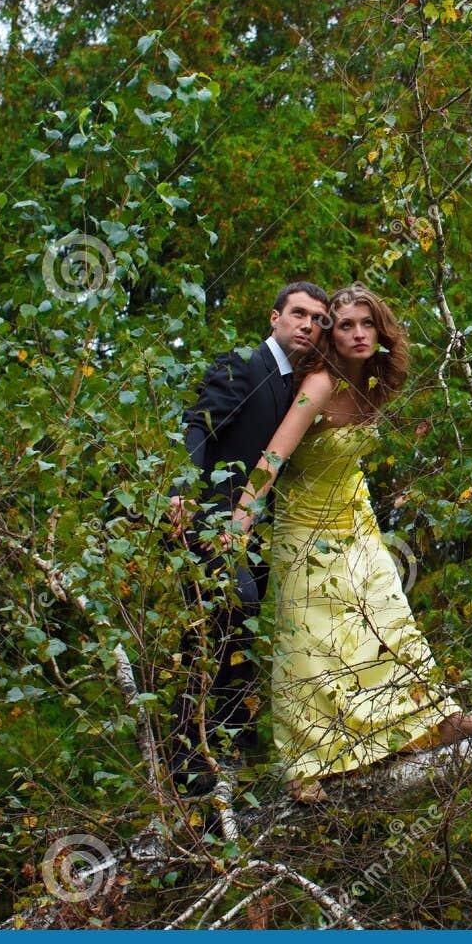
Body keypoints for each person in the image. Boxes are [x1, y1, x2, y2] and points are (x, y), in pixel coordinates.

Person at [230, 284, 472, 803]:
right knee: (308, 641)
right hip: (303, 528)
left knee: (388, 617)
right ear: (333, 333)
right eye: (345, 324)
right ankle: (305, 766)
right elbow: (274, 457)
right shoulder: (320, 384)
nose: (356, 333)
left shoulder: (376, 383)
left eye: (365, 324)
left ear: (380, 332)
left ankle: (435, 719)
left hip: (356, 519)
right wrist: (239, 523)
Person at [168, 281, 331, 793]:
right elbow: (198, 424)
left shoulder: (297, 384)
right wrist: (181, 490)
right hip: (212, 517)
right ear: (274, 317)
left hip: (257, 533)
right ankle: (187, 760)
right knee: (228, 612)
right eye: (298, 314)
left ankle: (225, 755)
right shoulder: (245, 363)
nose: (307, 325)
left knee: (242, 635)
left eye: (316, 319)